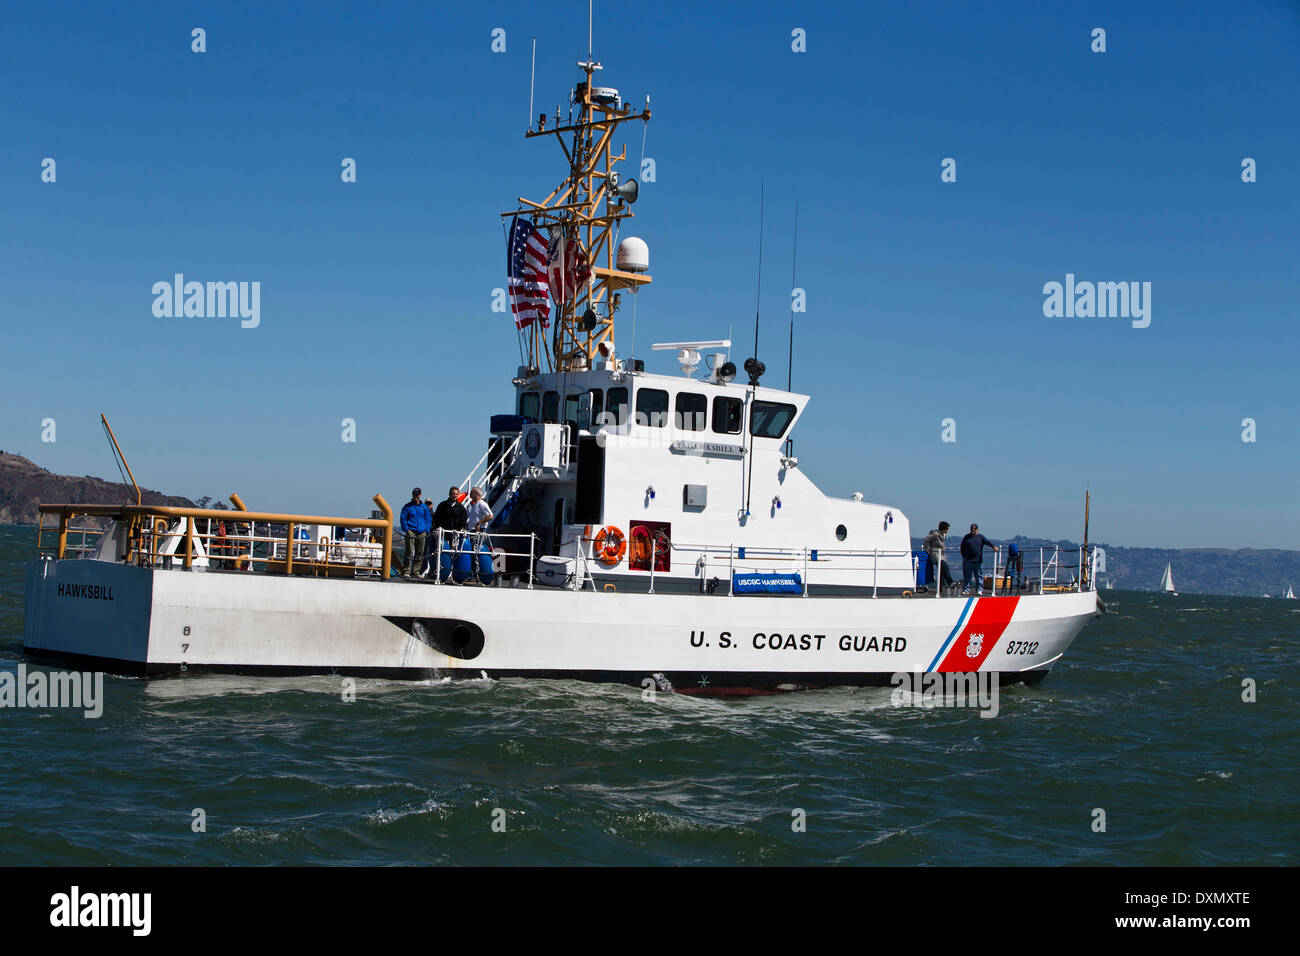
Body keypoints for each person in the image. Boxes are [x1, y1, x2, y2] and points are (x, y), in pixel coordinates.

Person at [399, 487, 431, 577]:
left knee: (420, 552)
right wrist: (406, 529)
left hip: (422, 531)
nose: (416, 496)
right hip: (411, 530)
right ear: (412, 495)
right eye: (414, 494)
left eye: (417, 495)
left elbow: (428, 519)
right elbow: (403, 518)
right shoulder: (407, 507)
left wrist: (426, 530)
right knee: (409, 551)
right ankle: (407, 570)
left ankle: (416, 571)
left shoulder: (424, 507)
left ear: (420, 495)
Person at [960, 523, 999, 596]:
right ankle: (966, 589)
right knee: (967, 576)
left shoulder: (980, 537)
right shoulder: (966, 537)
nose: (973, 530)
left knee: (979, 576)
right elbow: (962, 547)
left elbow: (987, 542)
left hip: (978, 560)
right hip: (968, 560)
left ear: (977, 530)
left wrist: (993, 546)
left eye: (974, 529)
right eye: (971, 528)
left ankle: (979, 590)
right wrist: (964, 556)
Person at [922, 521, 953, 591]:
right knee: (945, 566)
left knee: (942, 571)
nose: (948, 530)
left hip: (941, 555)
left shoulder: (943, 535)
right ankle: (950, 582)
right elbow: (926, 540)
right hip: (935, 555)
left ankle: (940, 588)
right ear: (944, 529)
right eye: (947, 529)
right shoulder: (935, 534)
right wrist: (927, 549)